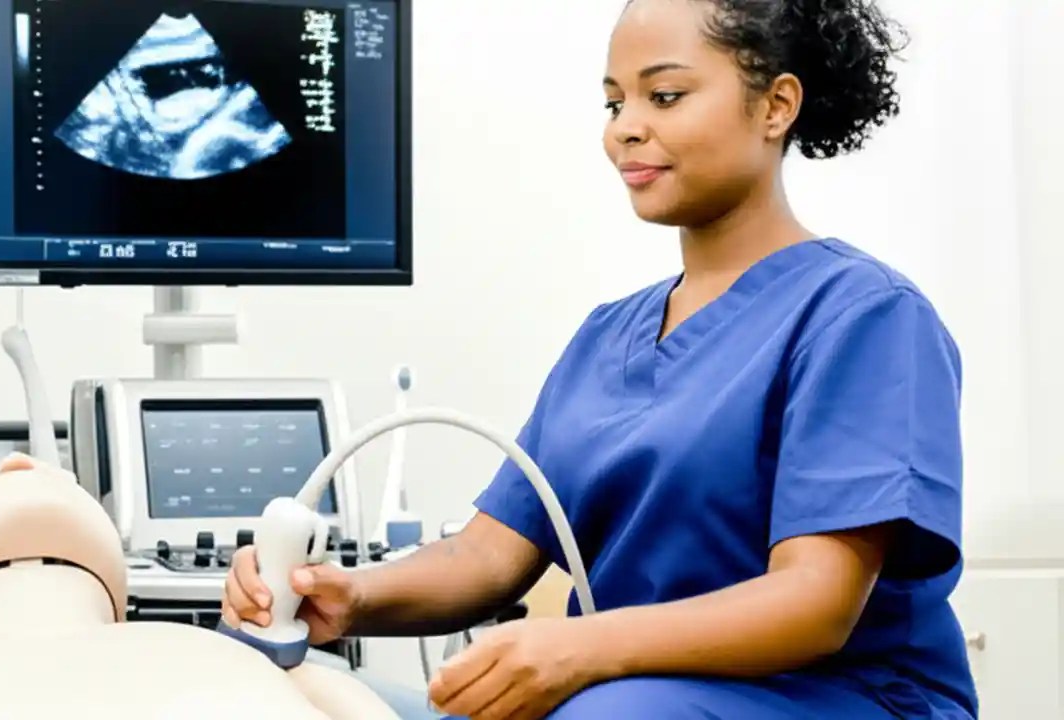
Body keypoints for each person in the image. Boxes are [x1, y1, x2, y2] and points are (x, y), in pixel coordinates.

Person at [223, 0, 977, 717]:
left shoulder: (865, 317)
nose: (626, 130)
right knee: (262, 683)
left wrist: (580, 648)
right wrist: (349, 596)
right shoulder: (607, 337)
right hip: (619, 696)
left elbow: (814, 603)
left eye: (667, 96)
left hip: (835, 700)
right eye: (615, 104)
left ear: (776, 106)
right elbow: (486, 559)